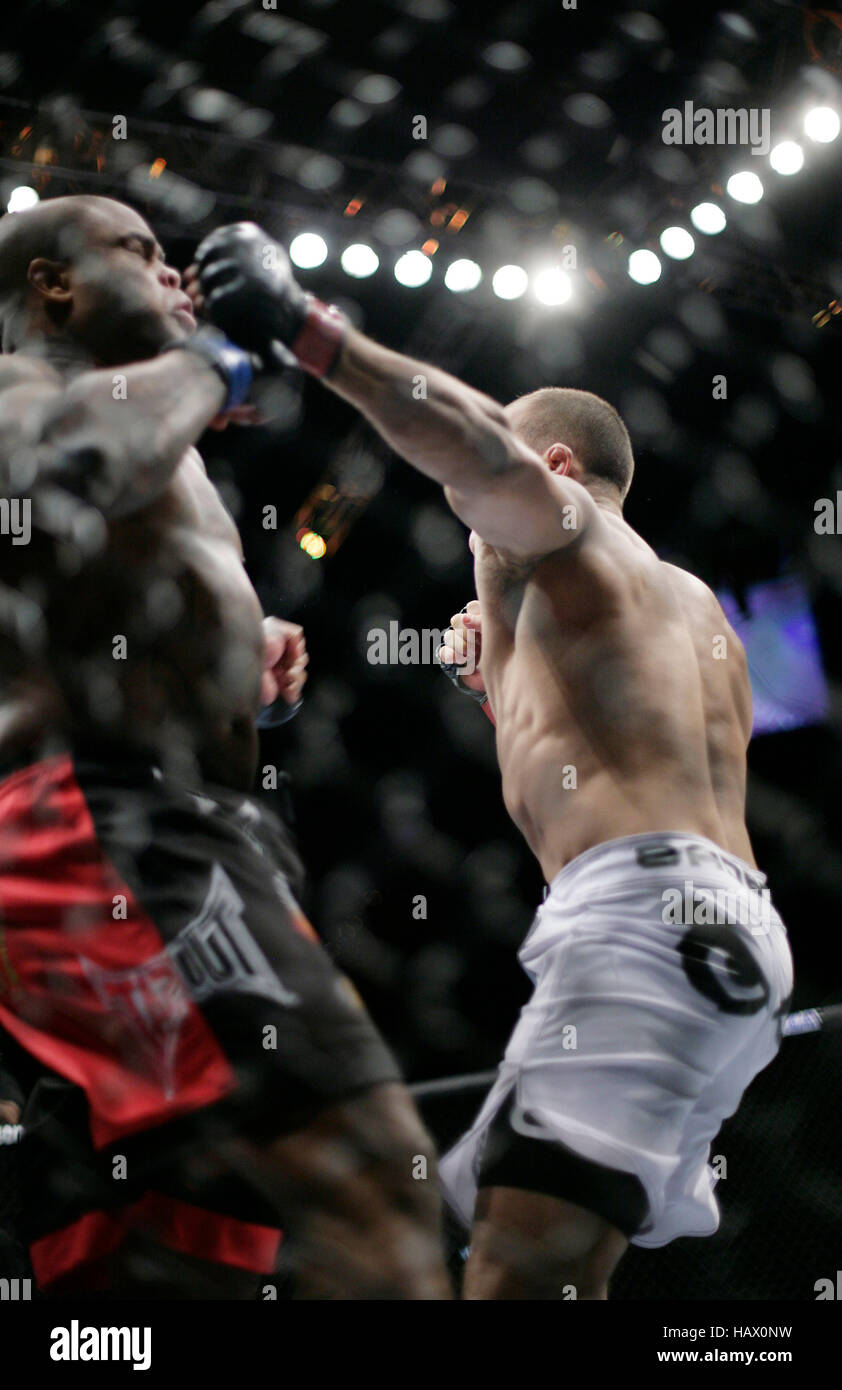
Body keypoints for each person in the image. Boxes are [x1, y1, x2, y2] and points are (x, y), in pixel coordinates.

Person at [188, 223, 794, 1300]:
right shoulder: (687, 603)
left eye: (479, 494)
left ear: (554, 467)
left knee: (513, 1278)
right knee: (552, 1268)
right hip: (723, 925)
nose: (465, 519)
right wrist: (505, 682)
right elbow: (624, 756)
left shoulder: (555, 520)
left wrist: (309, 331)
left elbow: (479, 454)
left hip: (642, 928)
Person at [0, 196, 450, 1298]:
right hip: (110, 827)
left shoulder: (157, 425)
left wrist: (238, 659)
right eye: (140, 253)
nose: (176, 278)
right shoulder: (27, 385)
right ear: (53, 283)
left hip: (167, 820)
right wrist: (221, 355)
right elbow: (50, 482)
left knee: (170, 1239)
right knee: (372, 1192)